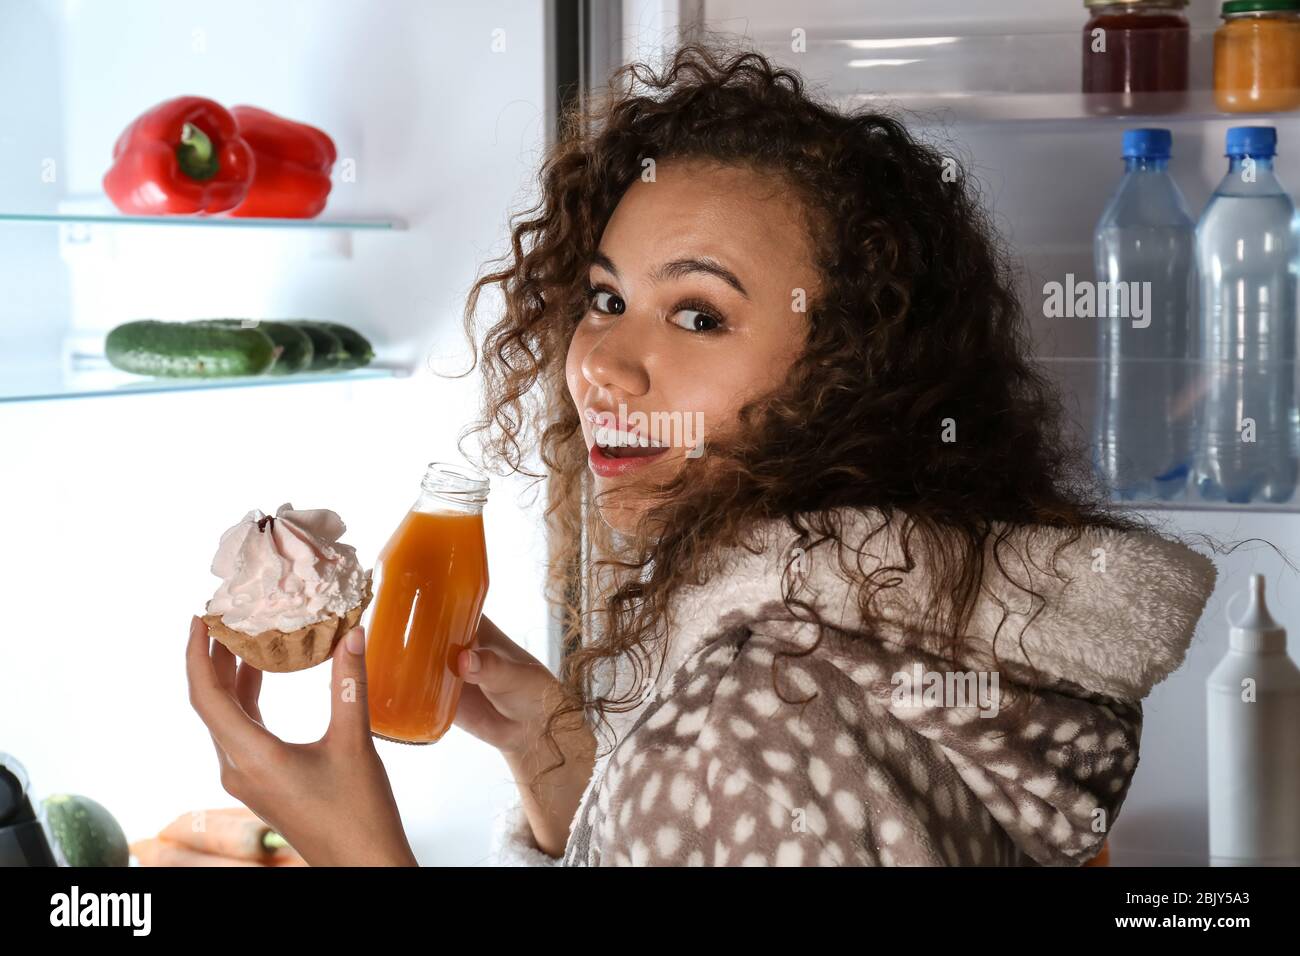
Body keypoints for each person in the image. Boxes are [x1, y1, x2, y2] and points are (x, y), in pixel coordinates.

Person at [186, 42, 1217, 867]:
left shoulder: (757, 725)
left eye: (696, 312)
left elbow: (755, 792)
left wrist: (353, 851)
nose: (602, 365)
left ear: (853, 368)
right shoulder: (884, 639)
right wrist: (569, 769)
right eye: (604, 298)